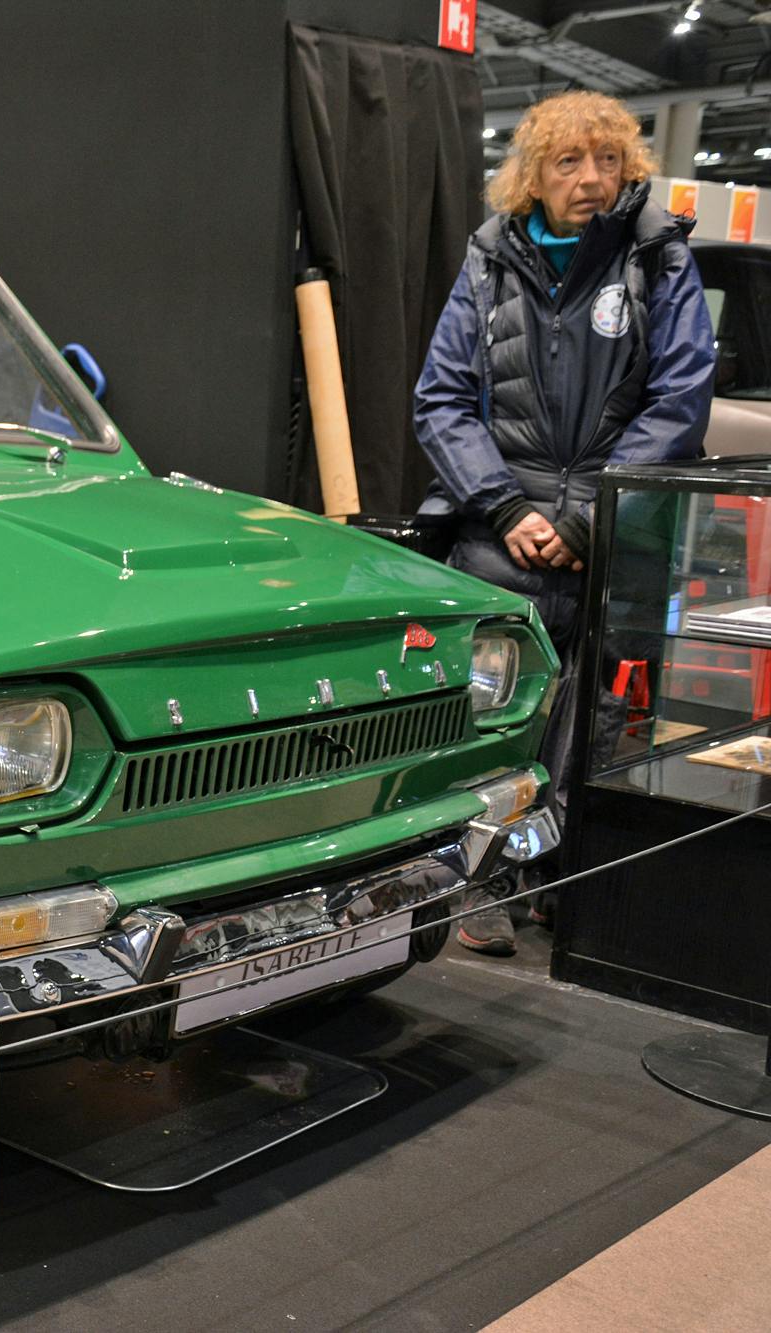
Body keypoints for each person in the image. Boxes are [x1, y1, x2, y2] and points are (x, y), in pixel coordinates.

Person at [413, 90, 714, 955]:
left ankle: (566, 885)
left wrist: (585, 519)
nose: (590, 179)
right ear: (534, 176)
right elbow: (441, 399)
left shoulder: (659, 258)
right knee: (490, 714)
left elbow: (680, 399)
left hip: (616, 531)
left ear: (629, 169)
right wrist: (507, 507)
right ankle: (482, 882)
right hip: (498, 529)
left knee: (597, 726)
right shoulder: (488, 261)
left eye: (608, 160)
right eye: (568, 161)